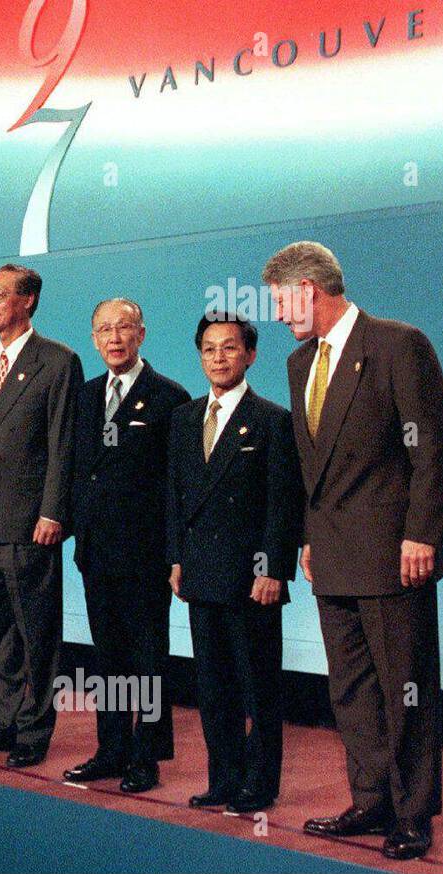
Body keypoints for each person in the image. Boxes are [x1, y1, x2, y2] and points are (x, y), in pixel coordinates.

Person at [266, 241, 443, 860]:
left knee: (406, 687)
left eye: (280, 301)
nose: (276, 315)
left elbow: (435, 443)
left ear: (309, 289)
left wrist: (423, 533)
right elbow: (307, 465)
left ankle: (412, 813)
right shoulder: (301, 364)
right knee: (351, 690)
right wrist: (306, 538)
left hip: (394, 552)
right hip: (333, 555)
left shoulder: (398, 344)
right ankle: (372, 799)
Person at [167, 313, 302, 814]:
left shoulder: (272, 420)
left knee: (257, 685)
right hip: (200, 573)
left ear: (250, 355)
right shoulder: (183, 419)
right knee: (212, 685)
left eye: (228, 348)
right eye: (208, 349)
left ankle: (260, 783)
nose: (218, 358)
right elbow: (175, 498)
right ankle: (222, 778)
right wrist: (175, 558)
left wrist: (272, 570)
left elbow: (281, 505)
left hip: (251, 578)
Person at [0, 264, 83, 768]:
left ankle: (33, 730)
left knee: (36, 634)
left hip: (30, 523)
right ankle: (1, 721)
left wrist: (53, 511)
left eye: (1, 294)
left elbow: (62, 444)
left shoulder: (57, 361)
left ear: (28, 301)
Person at [63, 299, 190, 793]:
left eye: (122, 328)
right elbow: (79, 468)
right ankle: (112, 748)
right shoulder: (86, 395)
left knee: (148, 659)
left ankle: (147, 755)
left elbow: (178, 484)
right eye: (103, 330)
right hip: (96, 552)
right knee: (108, 657)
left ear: (141, 334)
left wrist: (175, 553)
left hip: (145, 554)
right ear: (94, 339)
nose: (113, 338)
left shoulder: (169, 396)